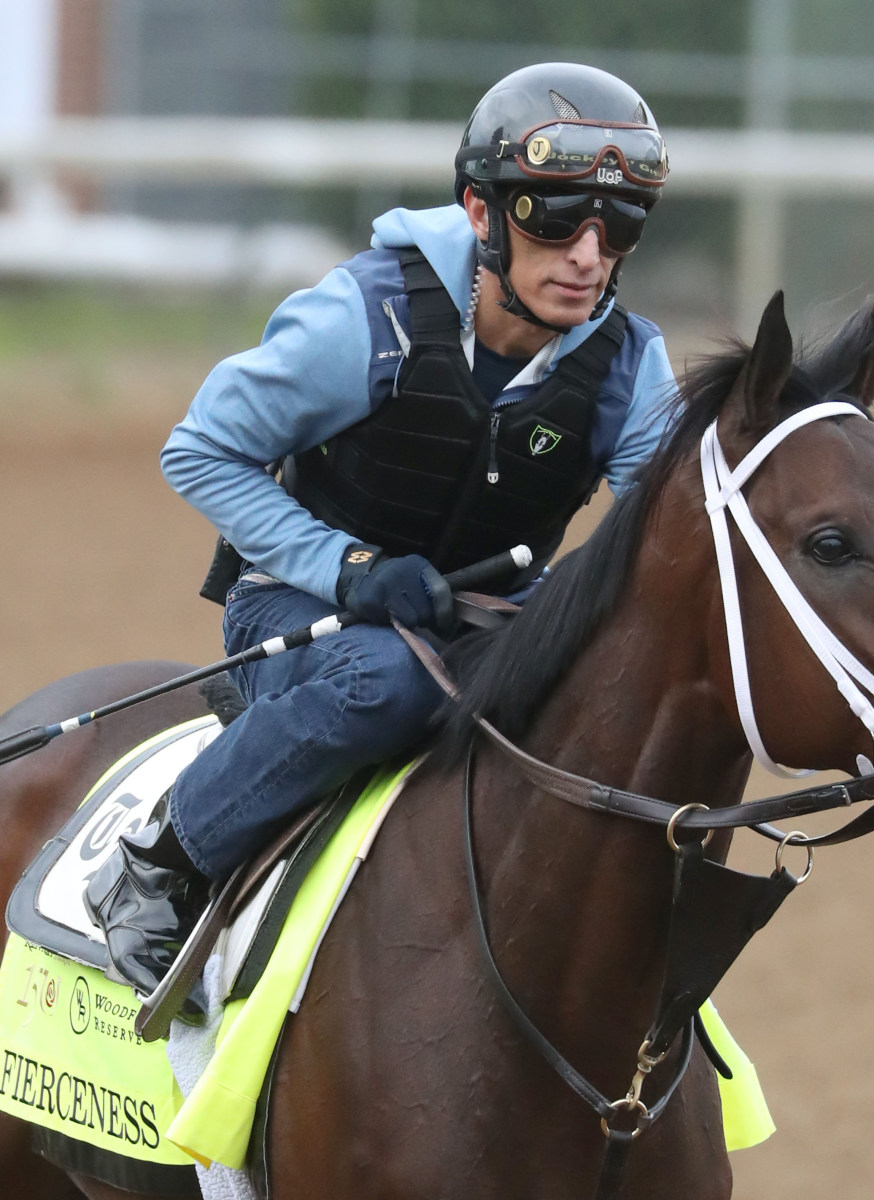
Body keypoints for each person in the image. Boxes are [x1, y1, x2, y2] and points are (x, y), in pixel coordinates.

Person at [83, 62, 677, 1011]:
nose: (588, 257)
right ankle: (162, 859)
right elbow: (199, 450)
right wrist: (348, 568)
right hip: (304, 613)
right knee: (391, 682)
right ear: (482, 213)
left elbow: (669, 527)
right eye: (557, 219)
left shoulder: (631, 368)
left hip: (485, 630)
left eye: (621, 228)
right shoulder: (363, 317)